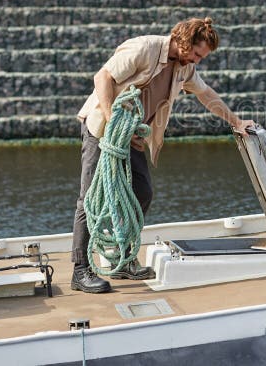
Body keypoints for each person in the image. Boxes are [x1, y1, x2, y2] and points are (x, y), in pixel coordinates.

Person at [71, 17, 255, 293]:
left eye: (201, 58)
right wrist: (112, 121)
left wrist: (236, 122)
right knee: (90, 200)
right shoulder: (144, 48)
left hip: (132, 137)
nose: (197, 61)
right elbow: (103, 77)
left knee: (142, 192)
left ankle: (122, 260)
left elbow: (206, 95)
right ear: (184, 41)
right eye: (196, 54)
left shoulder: (184, 68)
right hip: (102, 130)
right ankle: (80, 271)